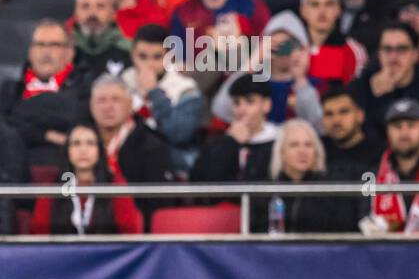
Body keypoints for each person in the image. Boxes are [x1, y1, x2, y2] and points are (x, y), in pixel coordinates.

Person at [0, 19, 82, 169]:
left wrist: (20, 112)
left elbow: (72, 113)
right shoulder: (9, 90)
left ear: (70, 53)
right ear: (30, 53)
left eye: (54, 45)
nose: (46, 51)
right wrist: (47, 135)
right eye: (39, 44)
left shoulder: (83, 86)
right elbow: (2, 130)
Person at [250, 118, 360, 233]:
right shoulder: (266, 192)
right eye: (294, 145)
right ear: (281, 152)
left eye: (308, 145)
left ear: (316, 152)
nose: (302, 151)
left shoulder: (331, 190)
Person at [88, 74, 174, 221]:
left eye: (116, 100)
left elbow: (157, 202)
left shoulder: (152, 145)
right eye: (101, 100)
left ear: (130, 104)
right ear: (90, 106)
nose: (108, 107)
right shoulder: (80, 142)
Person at [30, 123, 141, 235]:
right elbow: (39, 235)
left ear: (99, 150)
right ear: (67, 151)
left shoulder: (115, 183)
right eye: (76, 144)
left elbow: (129, 234)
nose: (83, 150)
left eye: (90, 143)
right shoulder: (52, 185)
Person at [121, 24, 203, 172]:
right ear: (133, 55)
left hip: (171, 161)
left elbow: (178, 134)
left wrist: (153, 91)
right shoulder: (123, 82)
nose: (149, 64)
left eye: (157, 57)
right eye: (142, 57)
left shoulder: (185, 87)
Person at [190, 73, 278, 182]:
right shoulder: (218, 143)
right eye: (236, 103)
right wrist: (230, 143)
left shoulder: (280, 141)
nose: (242, 110)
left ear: (266, 105)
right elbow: (201, 182)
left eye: (250, 101)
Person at [350, 22, 419, 135]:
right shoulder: (362, 85)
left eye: (402, 49)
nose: (393, 57)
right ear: (379, 54)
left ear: (415, 54)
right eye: (387, 49)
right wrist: (377, 99)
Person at [364, 97, 419, 233]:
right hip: (386, 252)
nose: (404, 133)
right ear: (387, 131)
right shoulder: (370, 174)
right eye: (397, 126)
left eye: (411, 126)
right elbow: (363, 213)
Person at [322, 83, 385, 178]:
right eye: (329, 114)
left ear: (360, 115)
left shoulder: (381, 153)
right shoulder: (317, 151)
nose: (336, 120)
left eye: (344, 112)